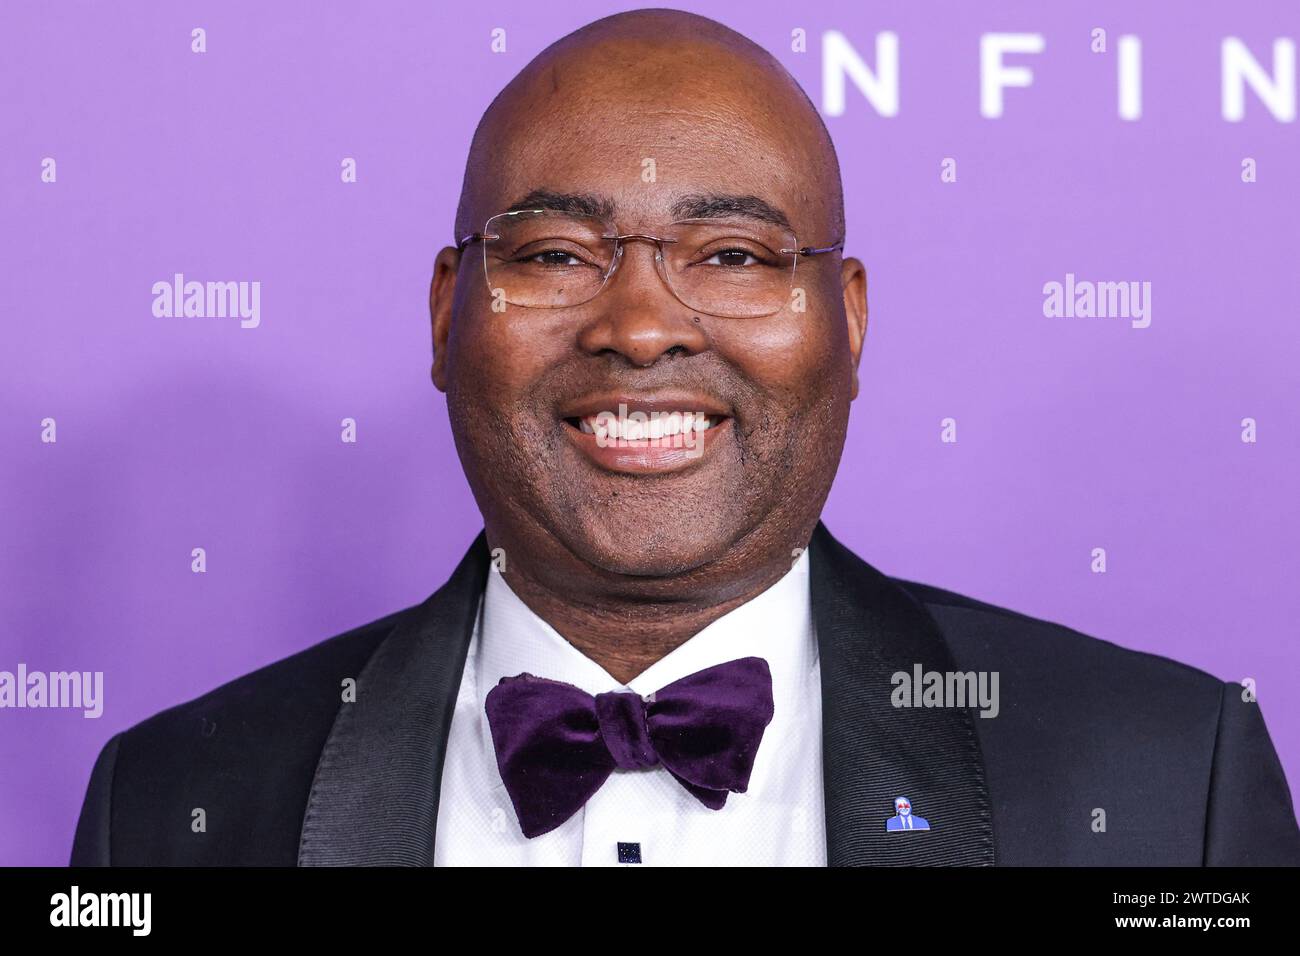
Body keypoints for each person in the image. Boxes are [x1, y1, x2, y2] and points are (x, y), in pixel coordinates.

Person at [71, 8, 1300, 867]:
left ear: (847, 319)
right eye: (554, 253)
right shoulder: (178, 799)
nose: (644, 324)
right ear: (448, 311)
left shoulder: (1159, 780)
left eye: (733, 256)